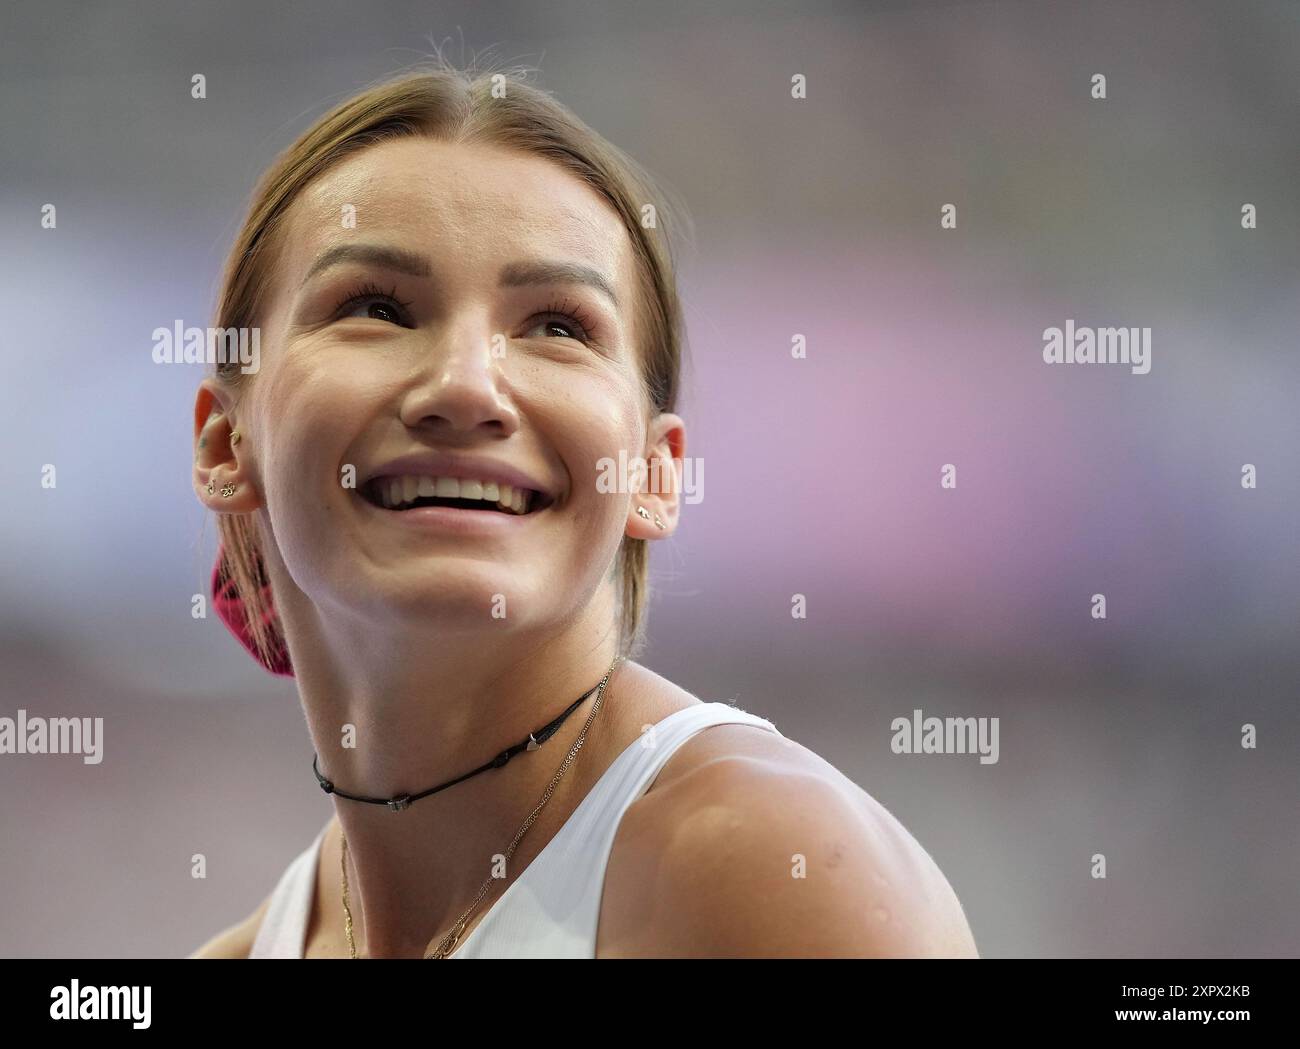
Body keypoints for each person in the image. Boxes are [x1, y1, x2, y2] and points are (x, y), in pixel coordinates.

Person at [187, 61, 978, 959]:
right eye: (377, 307)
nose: (465, 386)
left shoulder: (772, 870)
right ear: (224, 445)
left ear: (654, 472)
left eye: (558, 326)